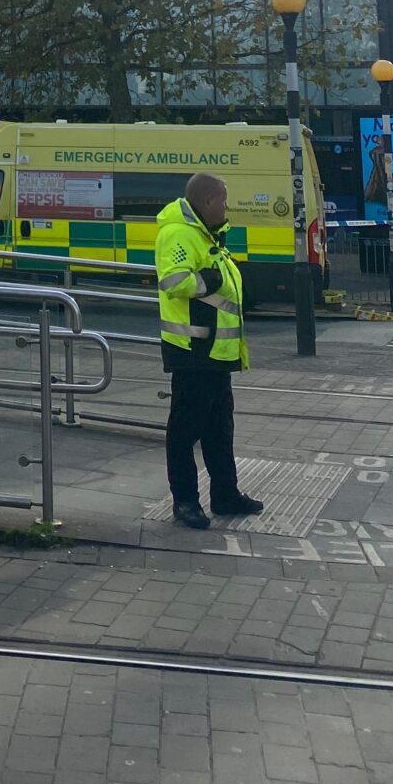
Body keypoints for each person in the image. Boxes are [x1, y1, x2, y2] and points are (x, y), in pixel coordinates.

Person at [155, 172, 262, 530]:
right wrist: (212, 281)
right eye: (223, 200)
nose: (227, 206)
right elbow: (173, 281)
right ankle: (185, 502)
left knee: (219, 428)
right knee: (185, 431)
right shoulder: (179, 233)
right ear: (207, 202)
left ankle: (225, 495)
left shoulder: (206, 234)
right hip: (194, 349)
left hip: (216, 352)